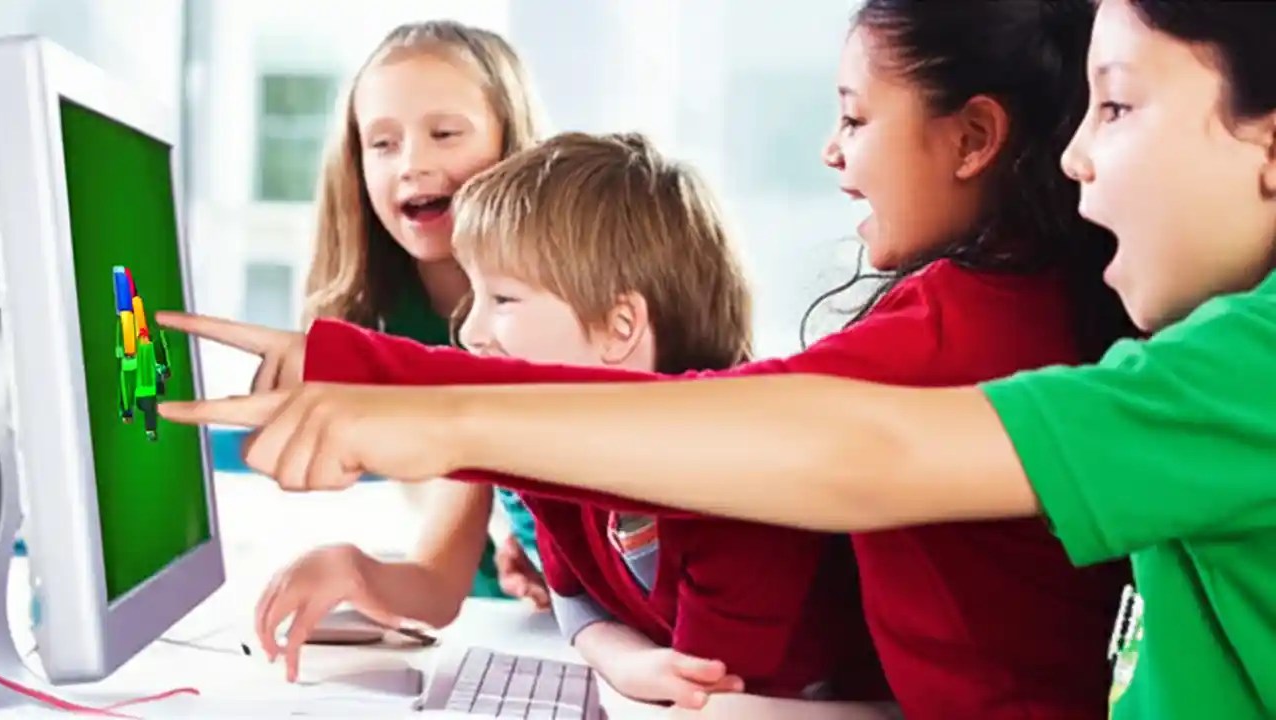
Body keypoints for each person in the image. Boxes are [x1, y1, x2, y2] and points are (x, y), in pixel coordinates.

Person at [161, 1, 1276, 717]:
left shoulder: (1202, 358)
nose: (1074, 155)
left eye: (1116, 106)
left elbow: (846, 448)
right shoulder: (1146, 336)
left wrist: (413, 398)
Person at [439, 130, 892, 711]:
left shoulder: (738, 484)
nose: (469, 332)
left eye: (502, 300)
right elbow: (574, 601)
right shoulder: (556, 453)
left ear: (620, 327)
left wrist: (636, 665)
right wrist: (626, 662)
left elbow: (711, 688)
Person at [212, 19, 552, 669]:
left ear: (512, 142)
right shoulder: (388, 321)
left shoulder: (558, 304)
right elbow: (443, 549)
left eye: (445, 133)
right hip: (536, 614)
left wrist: (562, 545)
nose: (412, 163)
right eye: (383, 143)